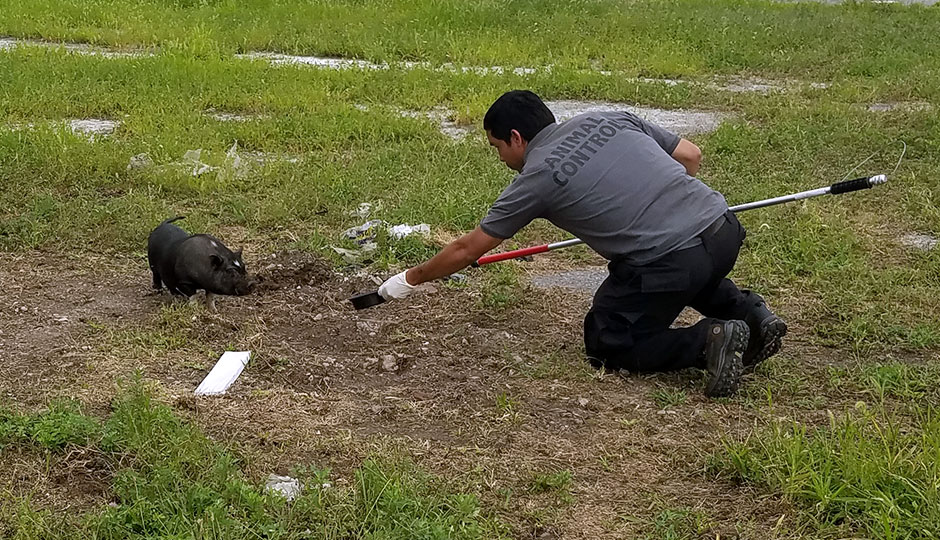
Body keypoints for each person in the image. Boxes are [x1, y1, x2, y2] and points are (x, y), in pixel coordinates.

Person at [377, 90, 786, 397]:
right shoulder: (609, 117)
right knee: (682, 273)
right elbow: (691, 156)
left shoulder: (537, 177)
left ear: (516, 137)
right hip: (723, 229)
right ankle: (753, 316)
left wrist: (410, 279)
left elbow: (468, 249)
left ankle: (709, 340)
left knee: (610, 339)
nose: (500, 157)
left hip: (672, 261)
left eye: (497, 147)